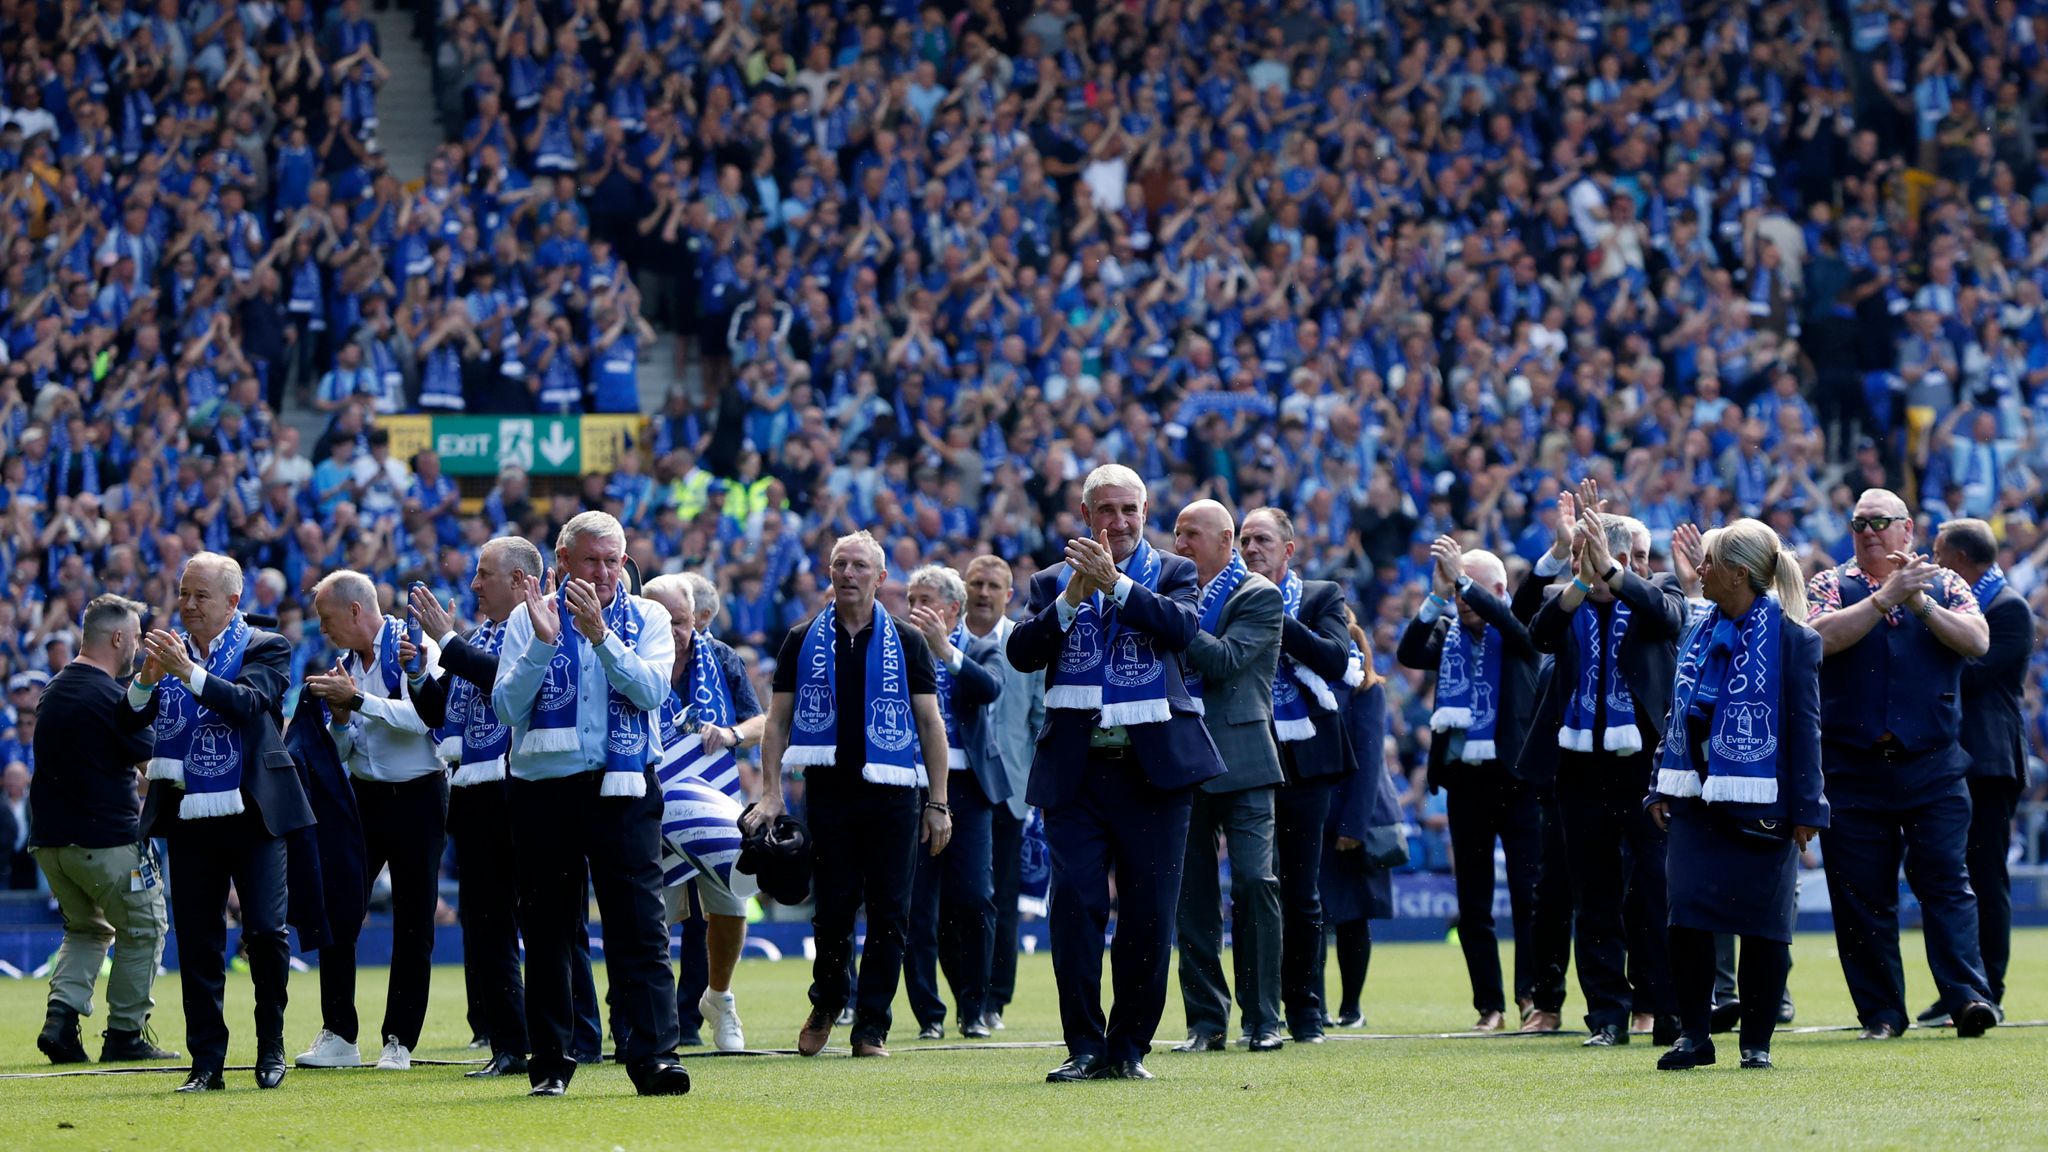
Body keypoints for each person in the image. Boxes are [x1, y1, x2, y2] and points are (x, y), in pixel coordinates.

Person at [1007, 464, 1225, 1083]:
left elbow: (1183, 631)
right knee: (1074, 910)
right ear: (1084, 516)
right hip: (1076, 774)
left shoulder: (1177, 571)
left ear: (1147, 511)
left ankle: (1129, 1048)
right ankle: (1083, 1045)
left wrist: (1119, 588)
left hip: (1155, 775)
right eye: (1105, 510)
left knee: (1150, 914)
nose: (1119, 521)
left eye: (1129, 509)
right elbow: (1023, 653)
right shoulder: (1052, 580)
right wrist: (1073, 598)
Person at [492, 511, 691, 1097]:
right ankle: (551, 1062)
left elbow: (653, 690)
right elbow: (506, 710)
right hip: (543, 792)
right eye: (591, 560)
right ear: (562, 563)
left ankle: (655, 1057)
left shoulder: (649, 616)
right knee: (550, 931)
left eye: (613, 560)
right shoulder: (527, 621)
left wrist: (601, 636)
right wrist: (543, 644)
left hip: (623, 790)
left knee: (640, 929)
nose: (604, 572)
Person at [746, 530, 952, 1059]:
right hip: (830, 792)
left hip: (893, 795)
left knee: (890, 911)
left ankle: (872, 1027)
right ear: (829, 572)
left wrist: (938, 803)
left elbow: (931, 725)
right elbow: (777, 723)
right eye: (840, 564)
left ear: (881, 578)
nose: (848, 574)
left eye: (860, 565)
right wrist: (771, 794)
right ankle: (829, 999)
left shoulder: (907, 641)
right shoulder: (800, 639)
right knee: (833, 910)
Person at [1807, 490, 2000, 1040]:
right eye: (1858, 523)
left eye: (1880, 522)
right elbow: (1814, 639)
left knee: (1947, 884)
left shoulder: (1943, 583)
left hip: (1932, 765)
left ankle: (1967, 999)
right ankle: (1882, 1014)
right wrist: (1881, 599)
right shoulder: (1828, 583)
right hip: (1853, 765)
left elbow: (1978, 641)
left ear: (1907, 529)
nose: (1868, 532)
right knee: (1861, 895)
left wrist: (1919, 604)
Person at [1646, 520, 1828, 1071]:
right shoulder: (1697, 630)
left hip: (1763, 805)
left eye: (1707, 564)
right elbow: (1677, 715)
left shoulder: (1796, 640)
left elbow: (1806, 727)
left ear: (1738, 574)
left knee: (1764, 927)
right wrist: (1660, 779)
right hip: (1695, 800)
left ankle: (1757, 1044)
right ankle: (1694, 1037)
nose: (1699, 572)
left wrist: (1807, 809)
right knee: (1687, 918)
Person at [133, 552, 314, 1092]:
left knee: (263, 931)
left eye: (199, 596)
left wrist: (185, 672)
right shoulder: (164, 653)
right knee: (197, 939)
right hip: (189, 813)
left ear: (233, 602)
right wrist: (144, 681)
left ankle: (271, 1046)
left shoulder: (267, 646)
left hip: (256, 813)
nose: (186, 604)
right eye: (183, 593)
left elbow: (248, 704)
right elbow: (131, 720)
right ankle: (206, 1062)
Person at [1530, 482, 1686, 1047]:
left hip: (1644, 767)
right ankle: (1608, 1016)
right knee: (1593, 896)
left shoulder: (1657, 588)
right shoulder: (1563, 598)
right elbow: (1539, 635)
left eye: (1638, 559)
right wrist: (1580, 579)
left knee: (1655, 889)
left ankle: (1666, 1009)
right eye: (1630, 556)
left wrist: (1617, 578)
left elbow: (1669, 618)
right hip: (1579, 766)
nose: (1643, 565)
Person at [295, 570, 446, 1073]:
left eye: (326, 618)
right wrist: (340, 719)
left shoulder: (413, 642)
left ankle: (399, 1039)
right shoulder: (344, 665)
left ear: (356, 610)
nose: (323, 629)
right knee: (339, 908)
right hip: (362, 795)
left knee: (413, 917)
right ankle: (339, 1033)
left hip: (420, 794)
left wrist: (356, 700)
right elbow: (345, 747)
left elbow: (422, 718)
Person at [1397, 538, 1544, 1032]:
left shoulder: (1520, 631)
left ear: (1499, 591)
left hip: (1518, 781)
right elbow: (1409, 651)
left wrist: (1460, 579)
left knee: (1529, 895)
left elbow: (1511, 624)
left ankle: (1531, 997)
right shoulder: (1449, 633)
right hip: (1465, 783)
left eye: (1471, 587)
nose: (1463, 599)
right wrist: (1438, 595)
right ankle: (1490, 1006)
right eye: (1458, 589)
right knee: (1473, 901)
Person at [409, 539, 543, 1078]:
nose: (473, 584)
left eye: (484, 574)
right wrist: (421, 670)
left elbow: (505, 682)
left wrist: (447, 639)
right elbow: (439, 710)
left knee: (547, 921)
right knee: (487, 926)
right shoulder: (481, 636)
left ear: (517, 580)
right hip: (476, 792)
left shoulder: (540, 625)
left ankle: (575, 1034)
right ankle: (508, 1044)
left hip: (525, 789)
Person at [30, 595, 176, 1065]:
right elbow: (152, 765)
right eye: (134, 637)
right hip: (107, 842)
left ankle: (60, 1021)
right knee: (146, 927)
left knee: (87, 928)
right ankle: (125, 1034)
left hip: (52, 844)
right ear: (117, 638)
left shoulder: (54, 690)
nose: (136, 646)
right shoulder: (111, 697)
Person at [1168, 499, 1284, 1053]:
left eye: (1191, 533)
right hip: (1184, 760)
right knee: (1191, 896)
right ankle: (1205, 1023)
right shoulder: (1171, 592)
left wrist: (1170, 617)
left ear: (1226, 539)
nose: (1181, 543)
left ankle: (1264, 1016)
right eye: (1176, 533)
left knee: (1255, 883)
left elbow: (1222, 662)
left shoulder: (1258, 594)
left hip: (1245, 760)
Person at [1240, 506, 1356, 1043]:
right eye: (1243, 540)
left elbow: (1336, 660)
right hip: (1246, 755)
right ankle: (1256, 1012)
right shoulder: (1222, 596)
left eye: (1262, 539)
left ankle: (1306, 1011)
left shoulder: (1320, 596)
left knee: (1301, 891)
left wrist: (1270, 613)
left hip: (1307, 762)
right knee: (1251, 887)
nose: (1251, 549)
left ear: (1289, 550)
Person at [641, 573, 765, 1053]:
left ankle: (719, 999)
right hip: (649, 805)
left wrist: (732, 734)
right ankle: (645, 1011)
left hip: (714, 799)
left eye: (683, 621)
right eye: (666, 620)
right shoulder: (628, 659)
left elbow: (763, 722)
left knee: (730, 907)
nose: (676, 631)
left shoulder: (722, 657)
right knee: (653, 915)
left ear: (697, 619)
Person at [1925, 518, 2034, 1021]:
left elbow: (1973, 673)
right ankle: (1962, 987)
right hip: (1955, 757)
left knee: (1984, 876)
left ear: (1960, 561)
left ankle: (1989, 987)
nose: (1933, 562)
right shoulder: (1971, 604)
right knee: (1952, 874)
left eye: (1939, 554)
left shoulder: (2008, 608)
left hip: (1989, 759)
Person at [901, 563, 1007, 1041]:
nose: (916, 610)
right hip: (911, 786)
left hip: (969, 788)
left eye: (926, 600)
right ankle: (929, 1014)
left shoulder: (980, 646)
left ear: (953, 608)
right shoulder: (896, 648)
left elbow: (990, 689)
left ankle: (975, 1006)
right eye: (911, 600)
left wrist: (945, 652)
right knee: (916, 906)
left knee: (974, 899)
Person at [961, 554, 1045, 1031]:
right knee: (963, 896)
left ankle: (995, 998)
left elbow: (1036, 718)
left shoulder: (1023, 644)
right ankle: (964, 996)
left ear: (1008, 594)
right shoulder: (947, 641)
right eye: (977, 583)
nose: (985, 592)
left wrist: (1033, 786)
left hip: (1009, 789)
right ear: (965, 588)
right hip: (956, 786)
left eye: (994, 585)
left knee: (1003, 897)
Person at [1319, 605, 1393, 1028]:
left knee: (1352, 917)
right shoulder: (1309, 681)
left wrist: (1353, 827)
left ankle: (1351, 1007)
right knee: (1313, 917)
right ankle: (1314, 1005)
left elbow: (1368, 762)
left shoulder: (1367, 688)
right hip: (1314, 816)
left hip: (1351, 819)